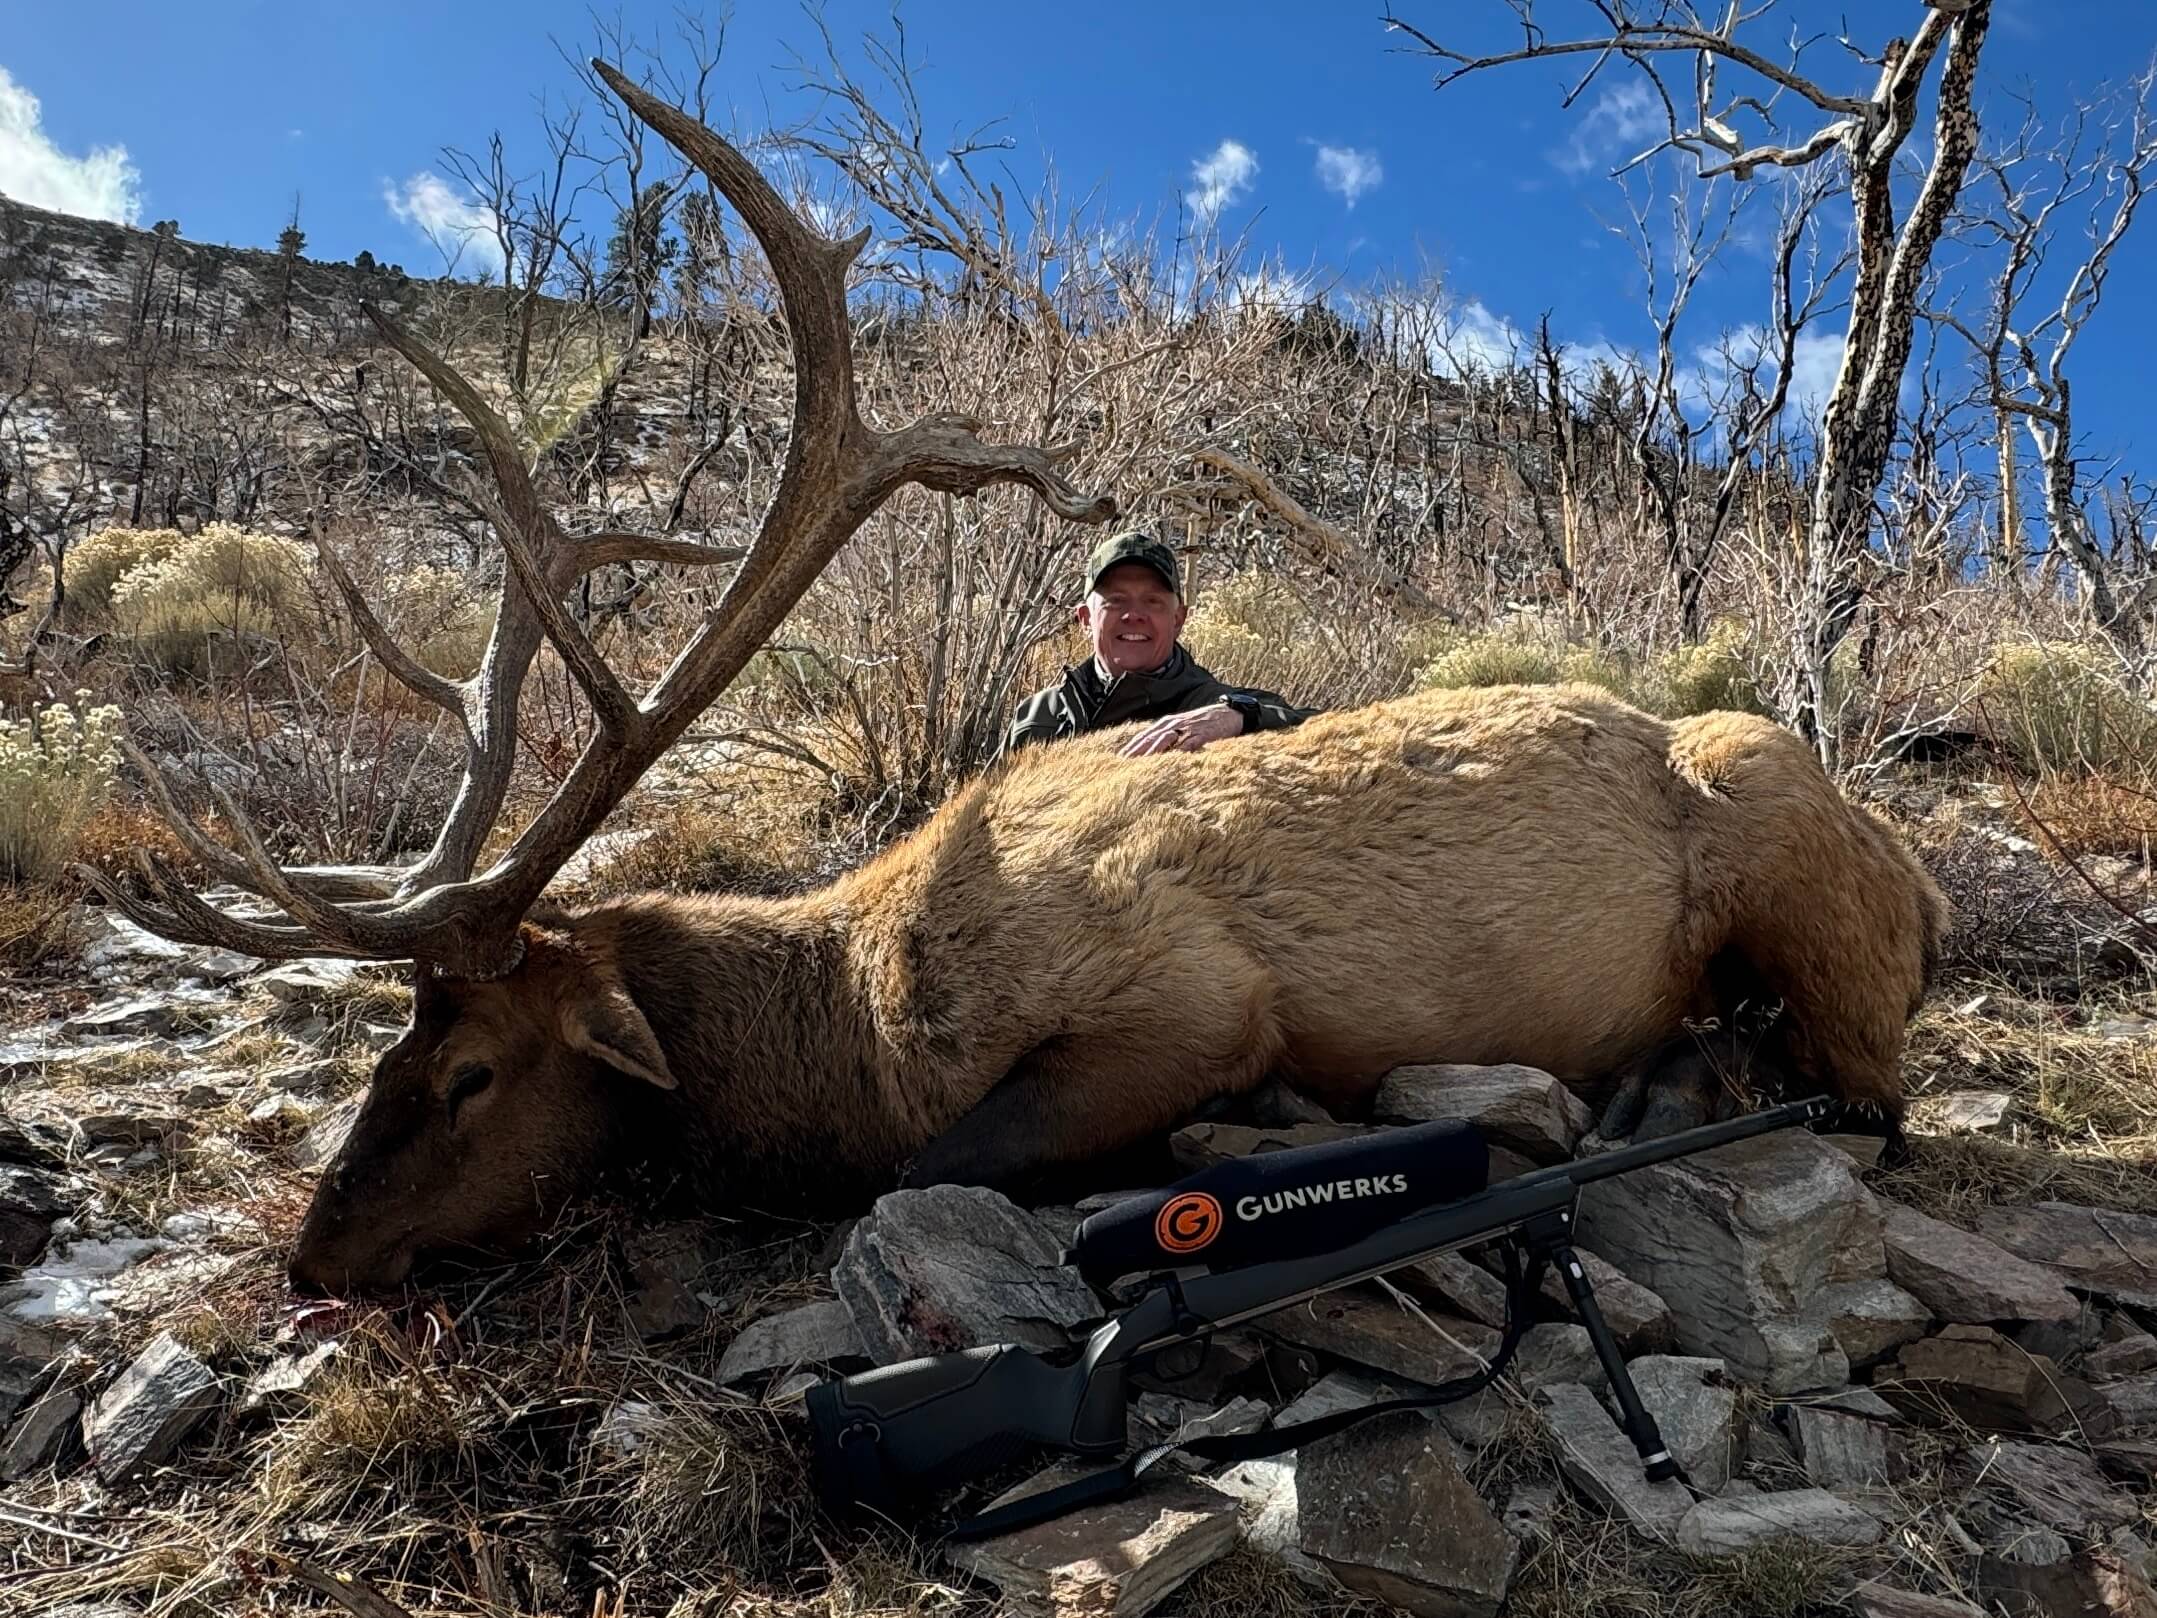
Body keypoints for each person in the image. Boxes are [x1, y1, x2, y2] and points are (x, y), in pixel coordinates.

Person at [1003, 530, 1319, 758]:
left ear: (1178, 618)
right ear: (1085, 618)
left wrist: (1238, 715)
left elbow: (1323, 728)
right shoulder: (1038, 714)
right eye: (1116, 601)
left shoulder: (1206, 706)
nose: (1134, 615)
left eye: (1153, 601)